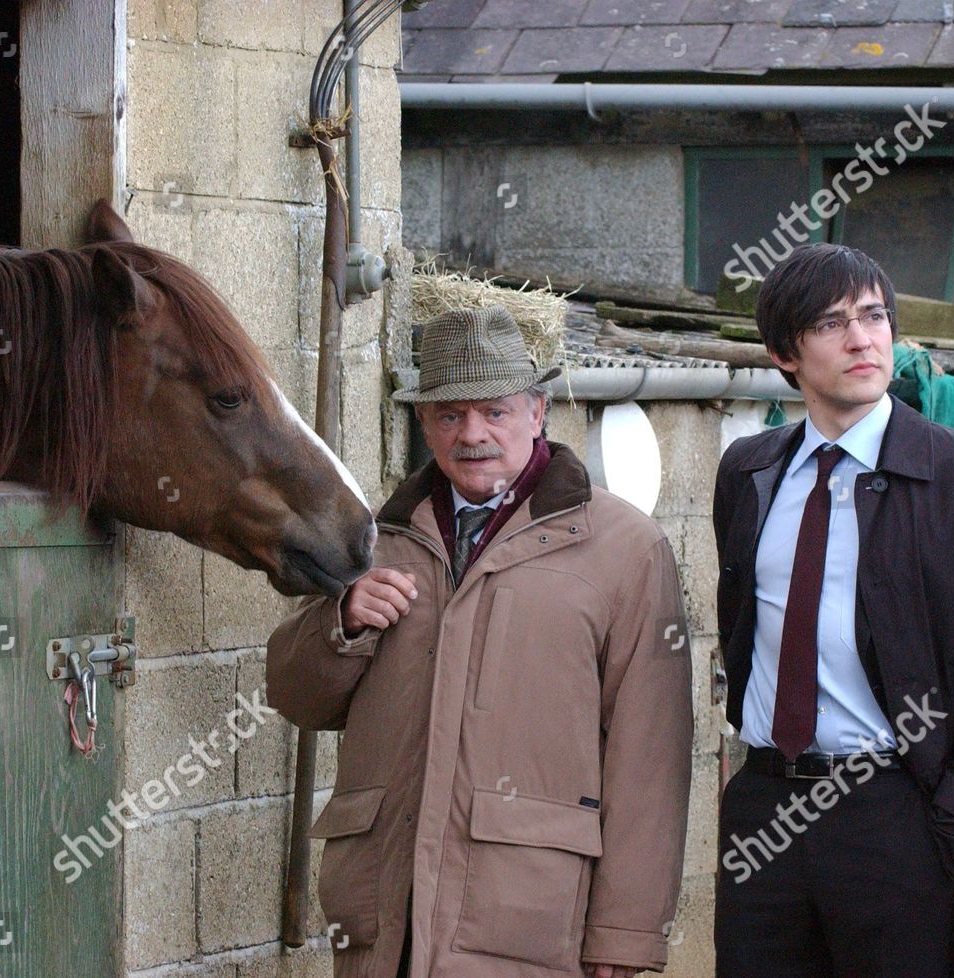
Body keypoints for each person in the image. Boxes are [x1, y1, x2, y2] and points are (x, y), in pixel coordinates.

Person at [267, 304, 693, 978]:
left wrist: (626, 932)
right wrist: (340, 622)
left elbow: (651, 757)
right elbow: (295, 698)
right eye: (449, 415)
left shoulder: (625, 550)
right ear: (422, 423)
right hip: (386, 919)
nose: (473, 435)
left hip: (526, 924)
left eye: (495, 412)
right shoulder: (379, 538)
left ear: (537, 410)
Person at [711, 244, 954, 978]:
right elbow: (744, 625)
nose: (862, 338)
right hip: (767, 813)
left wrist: (952, 828)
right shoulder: (748, 469)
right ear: (785, 351)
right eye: (832, 323)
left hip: (900, 814)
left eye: (874, 316)